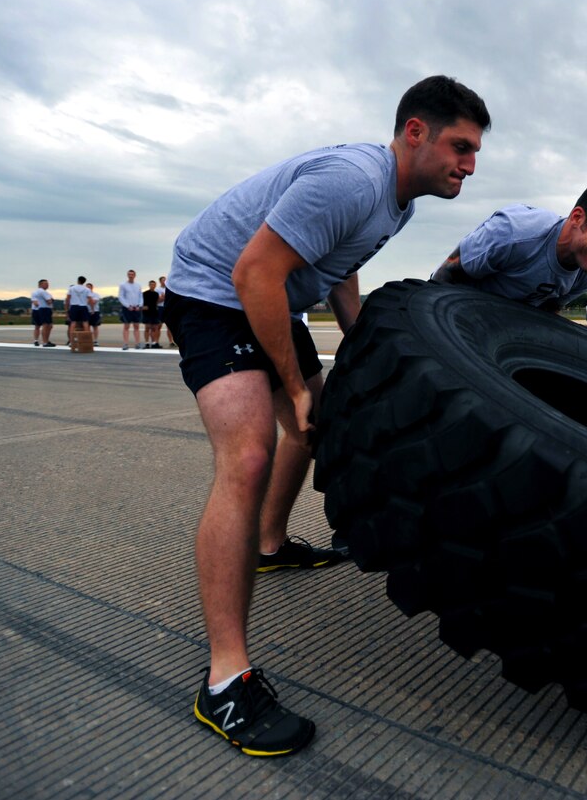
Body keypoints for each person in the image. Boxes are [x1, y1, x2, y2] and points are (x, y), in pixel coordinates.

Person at [163, 74, 490, 757]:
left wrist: (365, 352)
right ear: (414, 133)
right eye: (460, 146)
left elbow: (339, 267)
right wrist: (296, 382)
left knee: (318, 421)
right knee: (248, 456)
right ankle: (224, 680)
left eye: (475, 151)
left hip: (270, 293)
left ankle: (271, 545)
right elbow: (254, 273)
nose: (469, 163)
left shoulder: (396, 204)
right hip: (215, 290)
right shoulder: (353, 180)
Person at [429, 180, 587, 310]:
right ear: (577, 217)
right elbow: (447, 273)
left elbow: (548, 314)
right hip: (460, 309)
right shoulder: (513, 232)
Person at [119, 269, 144, 350]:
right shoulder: (123, 285)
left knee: (136, 326)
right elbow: (121, 297)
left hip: (136, 308)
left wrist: (139, 305)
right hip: (127, 308)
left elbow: (141, 297)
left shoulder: (138, 285)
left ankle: (137, 343)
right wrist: (127, 305)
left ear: (134, 275)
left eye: (132, 274)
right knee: (126, 326)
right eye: (129, 274)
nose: (130, 276)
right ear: (127, 275)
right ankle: (125, 344)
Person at [66, 276, 92, 345]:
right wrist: (92, 308)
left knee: (73, 323)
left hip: (74, 306)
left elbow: (68, 298)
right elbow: (90, 299)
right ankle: (86, 340)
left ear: (78, 281)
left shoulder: (72, 288)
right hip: (83, 306)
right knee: (85, 322)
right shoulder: (87, 289)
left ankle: (71, 341)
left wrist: (67, 308)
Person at [31, 279, 56, 347]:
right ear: (40, 284)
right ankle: (45, 341)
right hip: (44, 309)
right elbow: (49, 301)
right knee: (46, 325)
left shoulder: (35, 292)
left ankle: (39, 340)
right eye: (45, 284)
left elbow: (35, 302)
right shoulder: (43, 292)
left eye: (47, 283)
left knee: (43, 325)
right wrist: (51, 300)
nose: (47, 285)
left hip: (38, 309)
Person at [142, 280, 161, 348]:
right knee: (147, 328)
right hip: (147, 312)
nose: (152, 286)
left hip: (154, 312)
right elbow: (141, 302)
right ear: (149, 285)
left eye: (154, 284)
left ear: (155, 285)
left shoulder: (156, 294)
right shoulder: (145, 293)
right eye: (151, 284)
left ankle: (153, 342)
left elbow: (157, 302)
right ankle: (147, 343)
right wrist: (142, 307)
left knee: (154, 328)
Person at [158, 275, 176, 347]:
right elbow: (157, 301)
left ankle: (171, 341)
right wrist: (162, 298)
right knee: (158, 326)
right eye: (163, 280)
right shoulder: (157, 289)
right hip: (160, 308)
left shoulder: (169, 289)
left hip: (168, 308)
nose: (164, 281)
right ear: (160, 281)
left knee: (169, 326)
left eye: (165, 280)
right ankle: (156, 342)